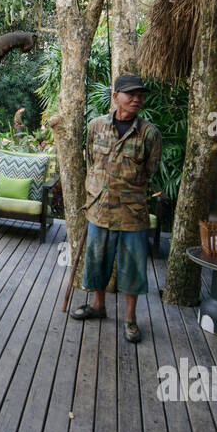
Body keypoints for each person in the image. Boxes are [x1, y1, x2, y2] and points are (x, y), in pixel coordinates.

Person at [69, 74, 162, 343]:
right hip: (99, 209)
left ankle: (130, 318)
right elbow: (91, 160)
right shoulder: (96, 126)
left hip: (132, 213)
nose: (136, 99)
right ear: (115, 97)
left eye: (140, 95)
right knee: (97, 261)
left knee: (132, 267)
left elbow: (151, 169)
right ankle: (98, 306)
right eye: (130, 94)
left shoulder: (150, 133)